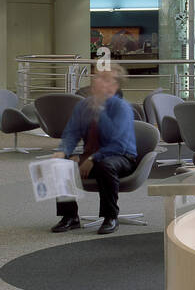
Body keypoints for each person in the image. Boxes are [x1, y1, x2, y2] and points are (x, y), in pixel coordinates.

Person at [51, 62, 138, 236]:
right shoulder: (83, 105)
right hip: (92, 156)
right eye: (96, 76)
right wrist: (63, 151)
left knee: (105, 165)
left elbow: (117, 143)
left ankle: (110, 216)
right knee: (60, 165)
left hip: (122, 156)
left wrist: (93, 159)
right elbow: (71, 133)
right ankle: (70, 216)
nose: (97, 80)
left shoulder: (121, 107)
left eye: (104, 78)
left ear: (114, 86)